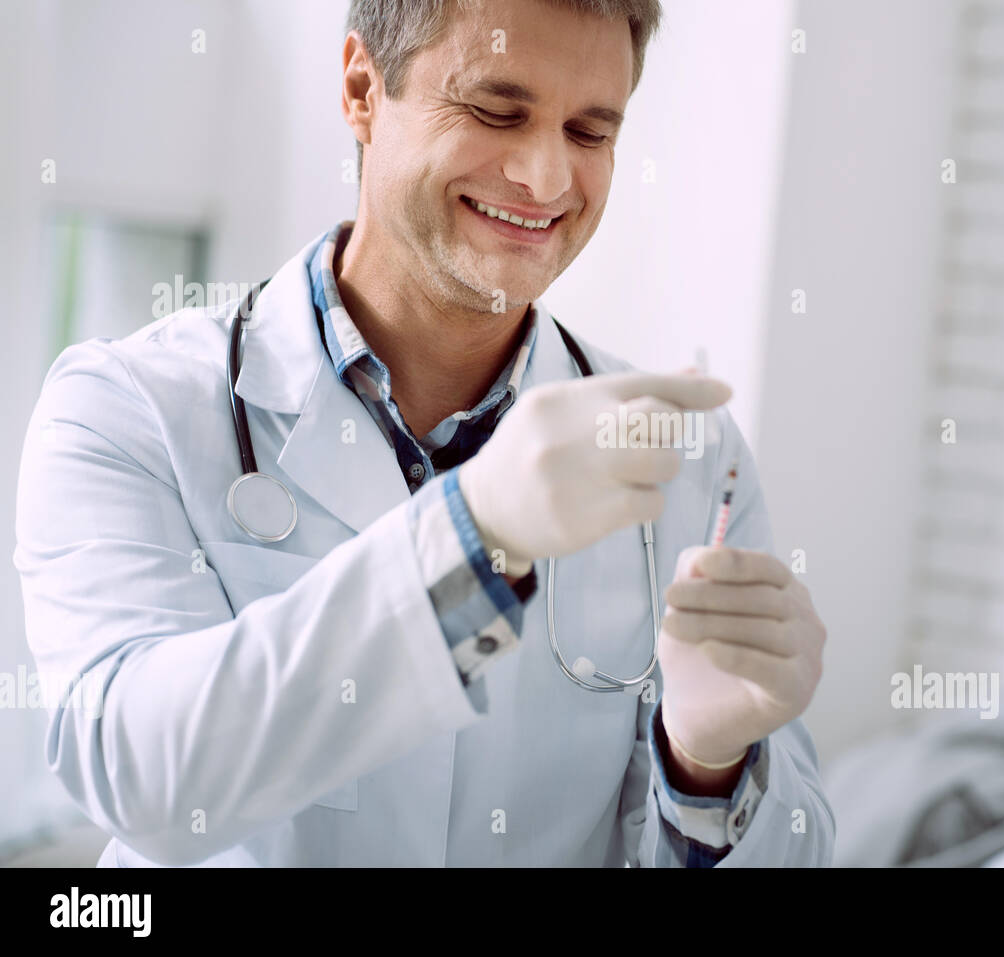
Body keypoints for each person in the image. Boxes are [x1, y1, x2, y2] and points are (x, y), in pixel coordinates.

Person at [13, 0, 833, 867]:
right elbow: (142, 780)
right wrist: (472, 536)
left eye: (591, 132)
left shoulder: (691, 461)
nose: (548, 176)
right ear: (362, 88)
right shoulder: (126, 407)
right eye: (495, 111)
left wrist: (708, 765)